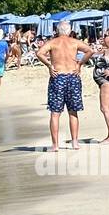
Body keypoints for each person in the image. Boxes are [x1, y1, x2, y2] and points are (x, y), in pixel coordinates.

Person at [35, 22, 90, 151]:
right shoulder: (74, 42)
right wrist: (80, 63)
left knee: (55, 113)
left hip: (58, 76)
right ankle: (75, 142)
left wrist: (49, 65)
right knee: (73, 112)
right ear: (70, 31)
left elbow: (39, 53)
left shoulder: (53, 42)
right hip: (72, 76)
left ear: (57, 30)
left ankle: (55, 145)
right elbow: (90, 50)